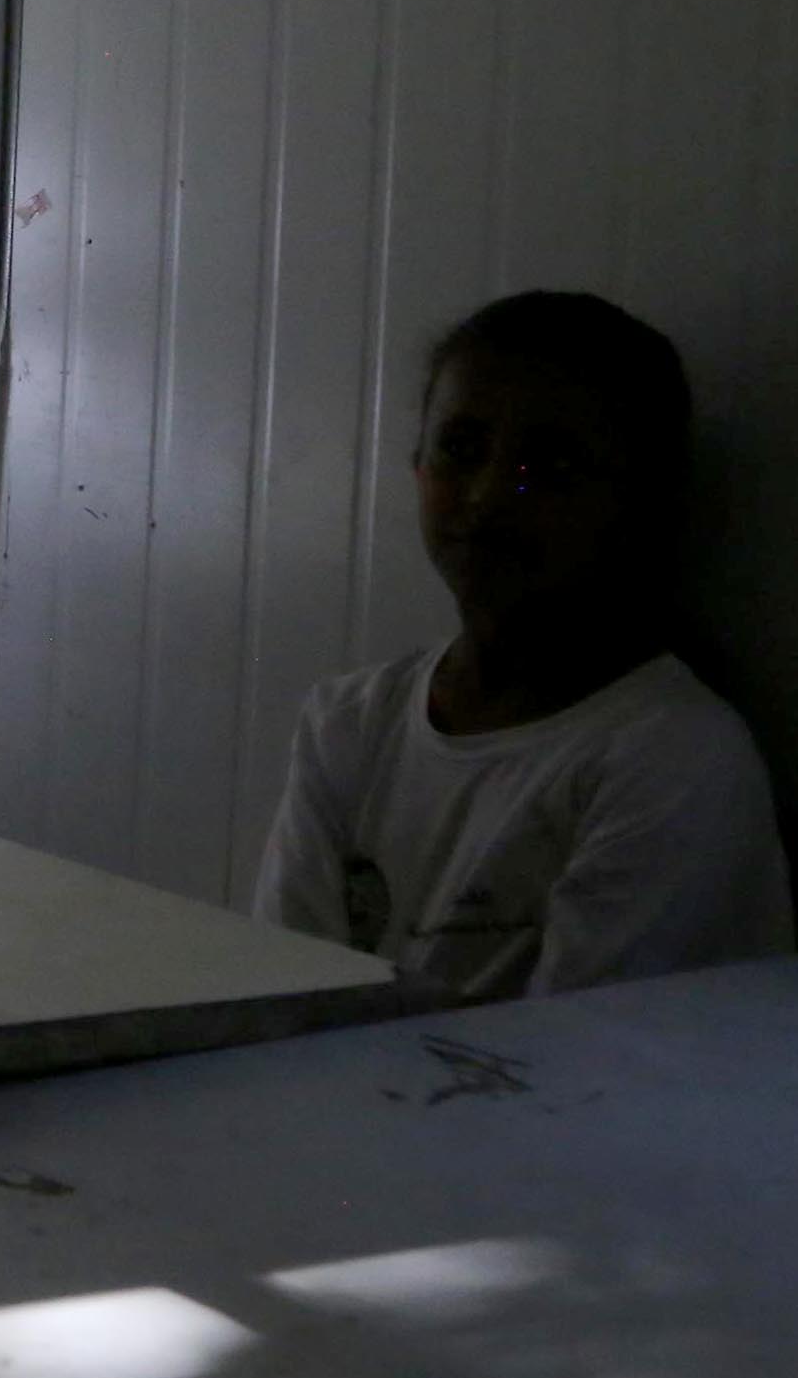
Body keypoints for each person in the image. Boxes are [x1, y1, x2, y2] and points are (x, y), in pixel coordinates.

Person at [253, 290, 792, 1002]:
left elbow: (575, 1078)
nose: (488, 495)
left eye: (552, 464)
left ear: (644, 501)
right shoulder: (350, 722)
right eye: (461, 448)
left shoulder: (672, 759)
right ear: (419, 463)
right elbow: (282, 996)